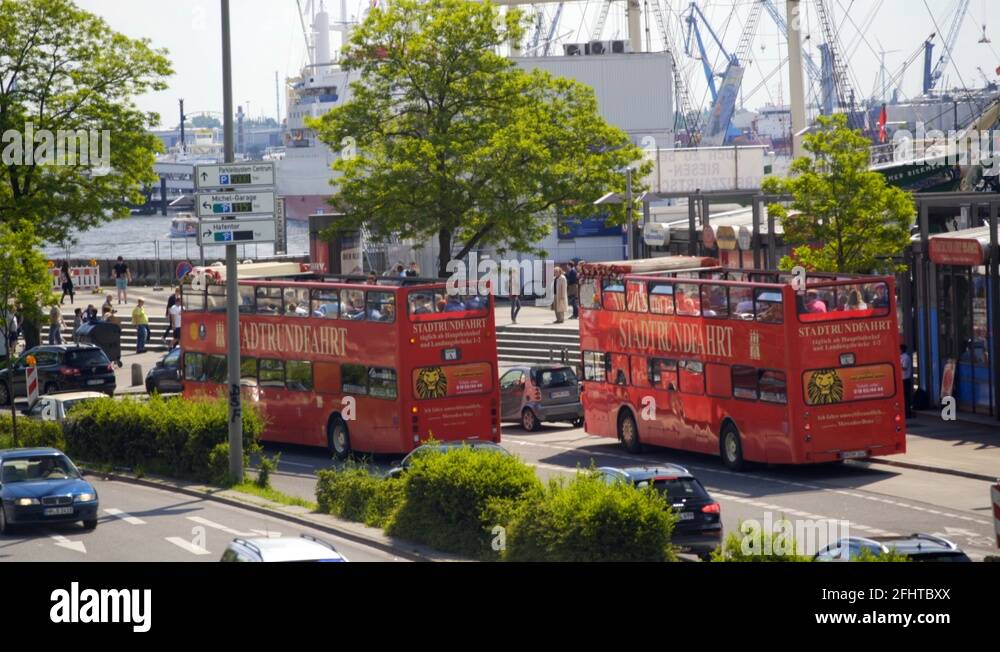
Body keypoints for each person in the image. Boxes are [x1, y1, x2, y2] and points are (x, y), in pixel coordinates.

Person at [900, 344, 913, 418]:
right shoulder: (901, 357)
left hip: (906, 379)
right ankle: (905, 411)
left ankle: (908, 412)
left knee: (906, 396)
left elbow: (904, 367)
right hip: (902, 379)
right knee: (903, 396)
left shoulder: (906, 357)